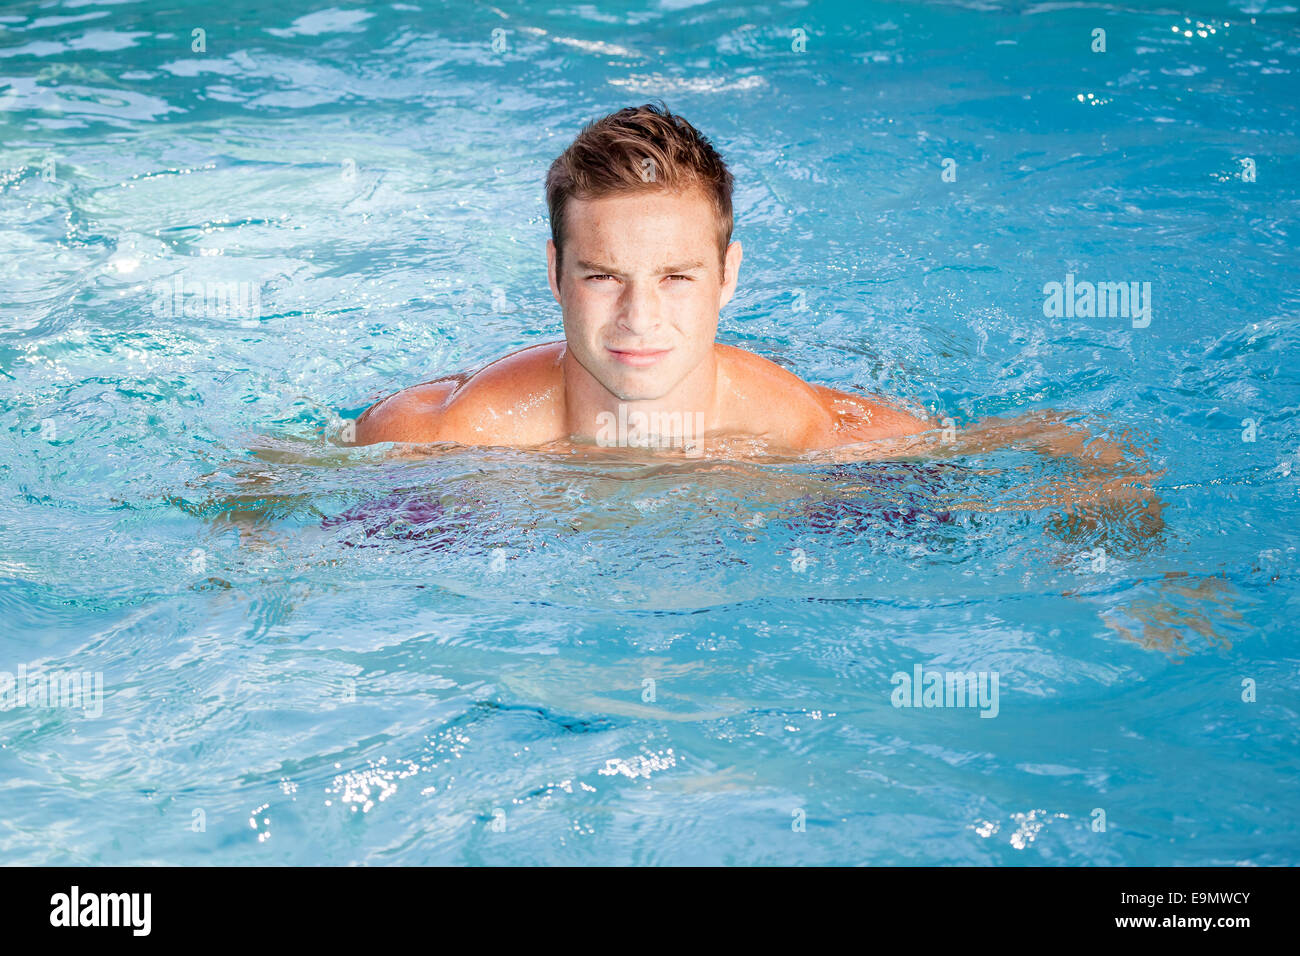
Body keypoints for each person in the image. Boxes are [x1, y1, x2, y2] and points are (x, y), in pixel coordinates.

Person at [350, 102, 930, 457]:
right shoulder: (439, 438)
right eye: (604, 276)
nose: (640, 318)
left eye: (676, 277)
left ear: (727, 278)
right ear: (555, 274)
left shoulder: (826, 439)